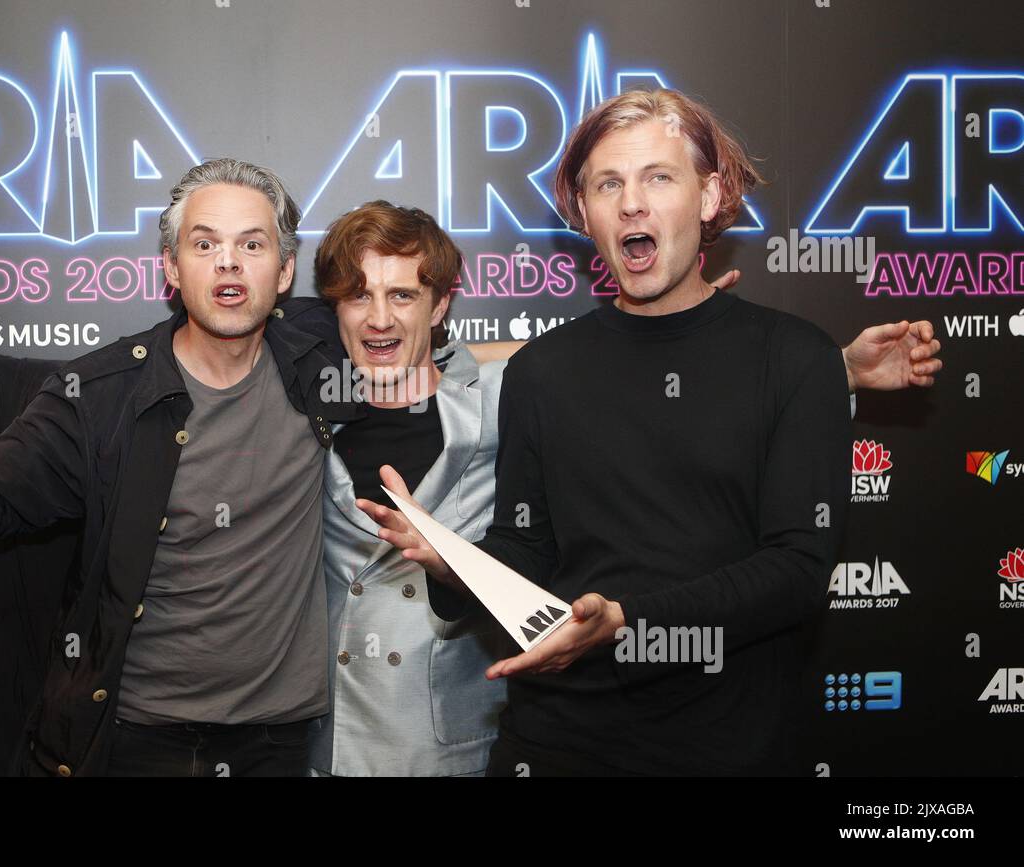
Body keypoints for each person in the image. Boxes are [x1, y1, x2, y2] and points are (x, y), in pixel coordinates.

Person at [356, 88, 942, 776]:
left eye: (657, 177)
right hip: (556, 747)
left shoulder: (796, 358)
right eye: (608, 184)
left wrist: (628, 619)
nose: (631, 201)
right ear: (586, 213)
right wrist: (458, 565)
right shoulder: (542, 371)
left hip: (728, 749)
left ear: (708, 194)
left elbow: (796, 570)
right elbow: (528, 543)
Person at [0, 158, 361, 777]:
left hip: (281, 744)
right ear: (171, 268)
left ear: (286, 271)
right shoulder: (95, 396)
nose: (228, 262)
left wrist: (498, 374)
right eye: (204, 243)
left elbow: (419, 357)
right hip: (134, 740)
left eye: (252, 245)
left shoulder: (318, 355)